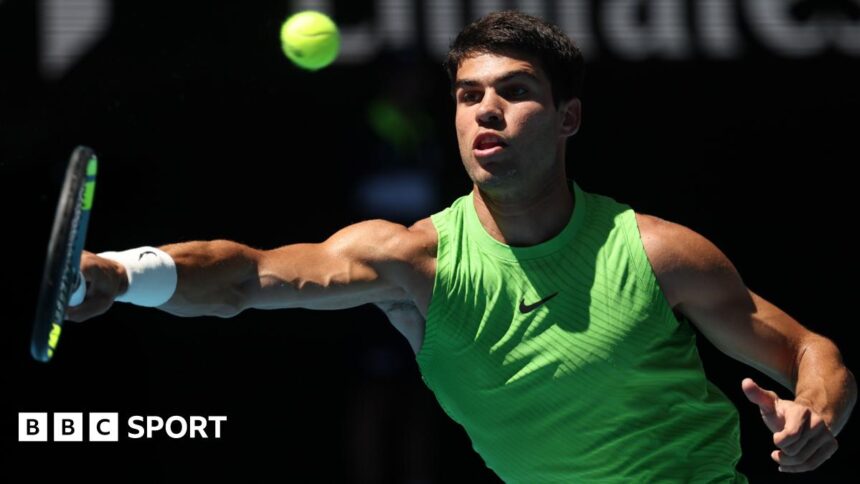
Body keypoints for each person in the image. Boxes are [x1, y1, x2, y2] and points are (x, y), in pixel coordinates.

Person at [68, 10, 855, 483]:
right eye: (468, 95)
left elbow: (810, 350)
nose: (487, 112)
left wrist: (816, 413)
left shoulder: (658, 252)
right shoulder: (412, 262)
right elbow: (248, 276)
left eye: (515, 92)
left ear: (567, 119)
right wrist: (126, 271)